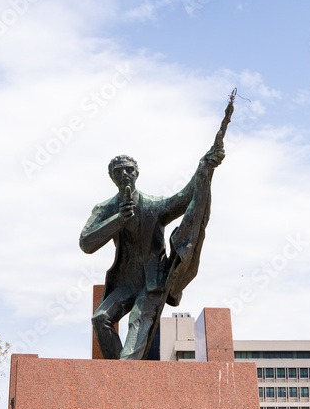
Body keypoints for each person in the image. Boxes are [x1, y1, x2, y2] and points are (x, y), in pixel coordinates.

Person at [80, 146, 225, 360]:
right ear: (111, 177)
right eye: (118, 172)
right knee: (100, 318)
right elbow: (86, 243)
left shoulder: (153, 206)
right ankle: (114, 379)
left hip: (152, 282)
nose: (124, 175)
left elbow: (185, 198)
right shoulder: (106, 209)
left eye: (128, 170)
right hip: (125, 282)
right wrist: (118, 219)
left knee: (137, 321)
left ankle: (122, 377)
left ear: (137, 173)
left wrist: (205, 166)